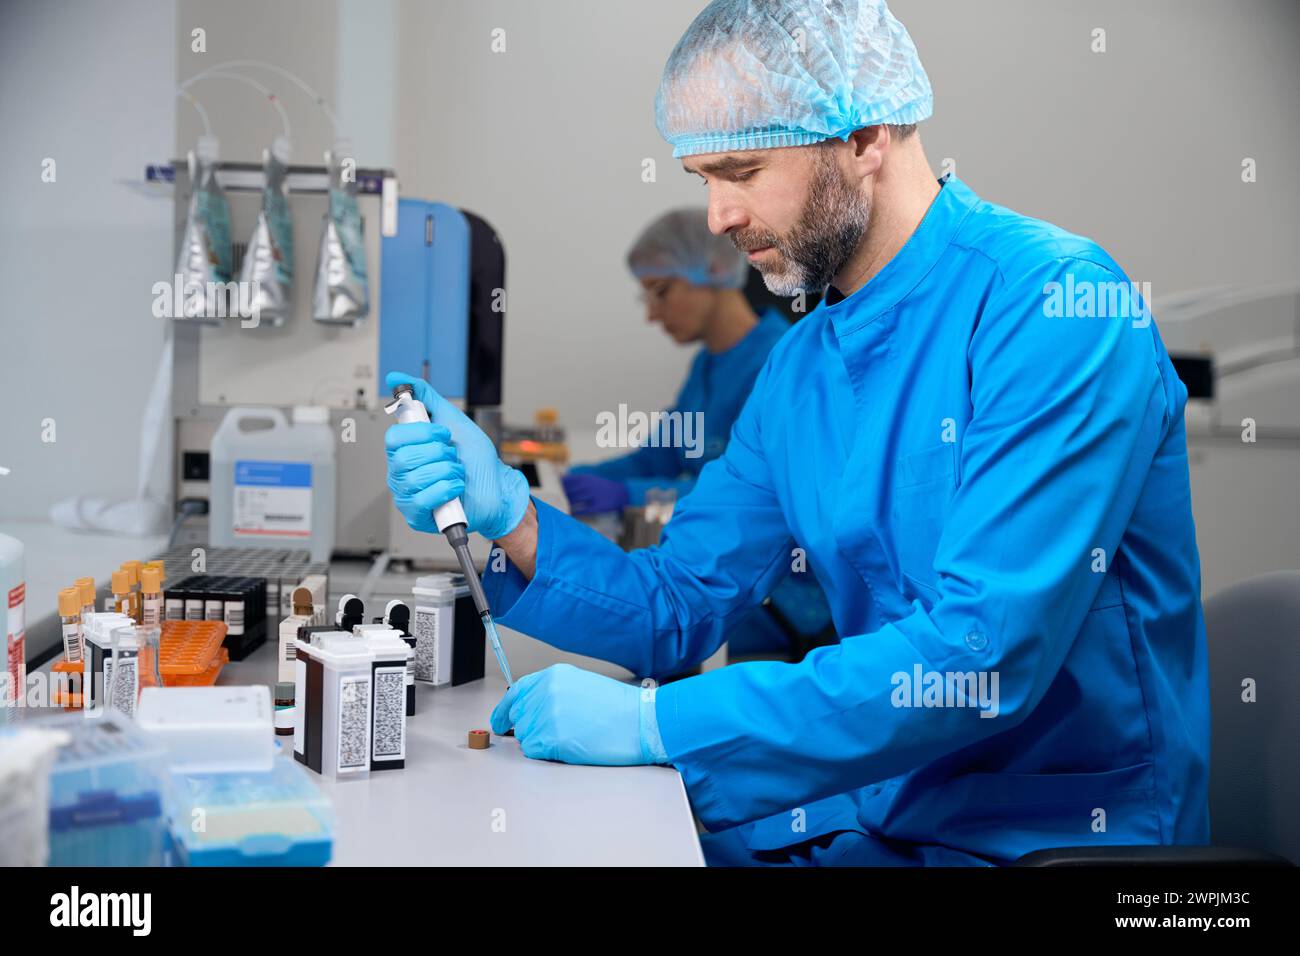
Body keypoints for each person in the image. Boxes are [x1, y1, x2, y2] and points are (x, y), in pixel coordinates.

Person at [384, 0, 1209, 866]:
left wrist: (658, 723)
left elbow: (984, 652)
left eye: (740, 170)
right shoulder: (802, 365)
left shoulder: (1052, 306)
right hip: (882, 810)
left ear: (862, 138)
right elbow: (681, 601)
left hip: (1045, 841)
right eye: (701, 178)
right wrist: (509, 515)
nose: (716, 218)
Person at [562, 208, 790, 518]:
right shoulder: (707, 363)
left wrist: (627, 495)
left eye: (660, 292)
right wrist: (566, 478)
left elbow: (749, 489)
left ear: (714, 268)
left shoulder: (778, 363)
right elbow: (660, 458)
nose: (651, 315)